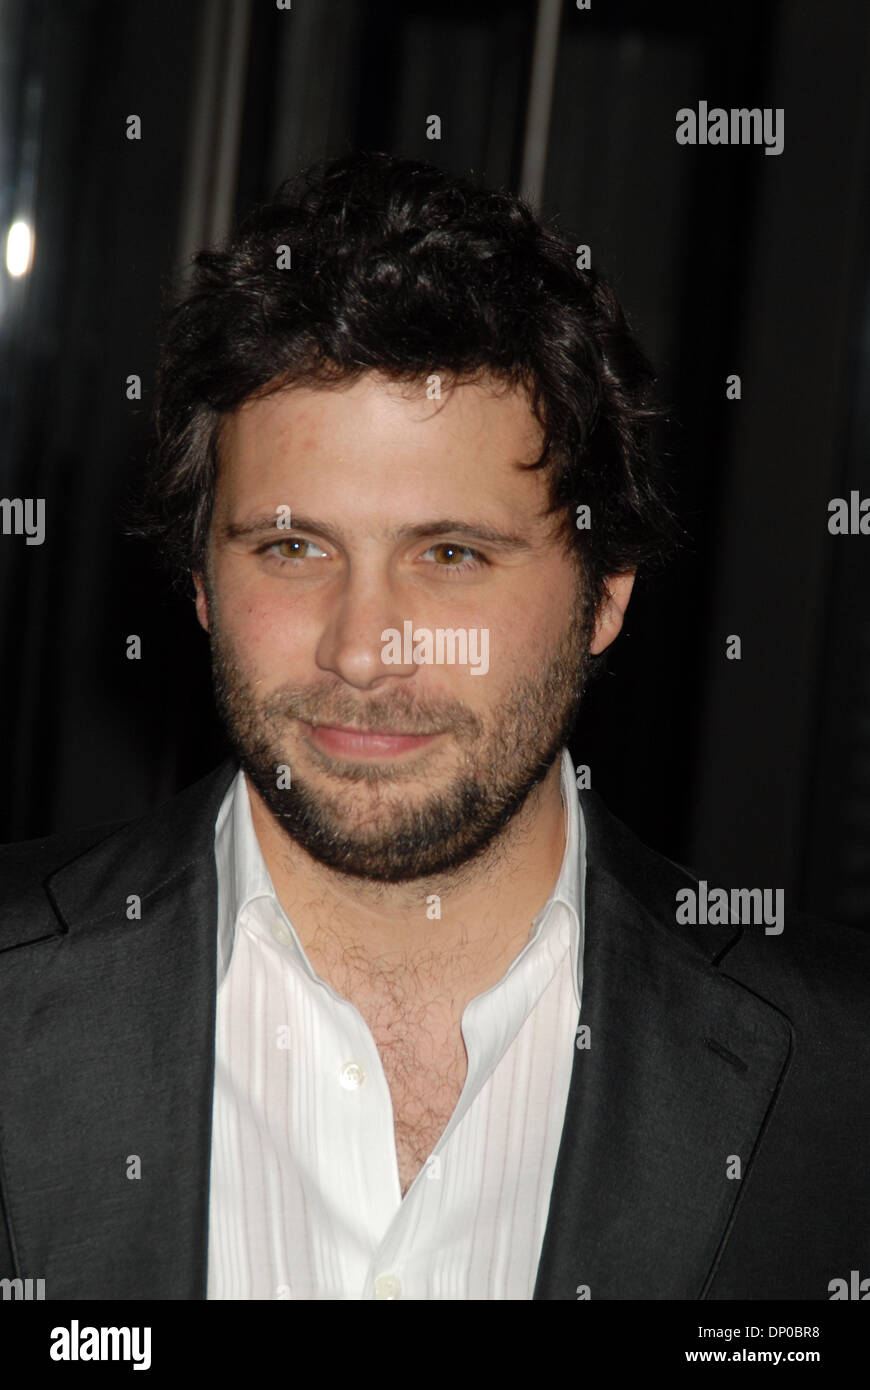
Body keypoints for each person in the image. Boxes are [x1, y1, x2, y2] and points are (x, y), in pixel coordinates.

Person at [0, 151, 867, 1302]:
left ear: (607, 590)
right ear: (201, 582)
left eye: (451, 555)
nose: (364, 650)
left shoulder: (837, 1083)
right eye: (293, 548)